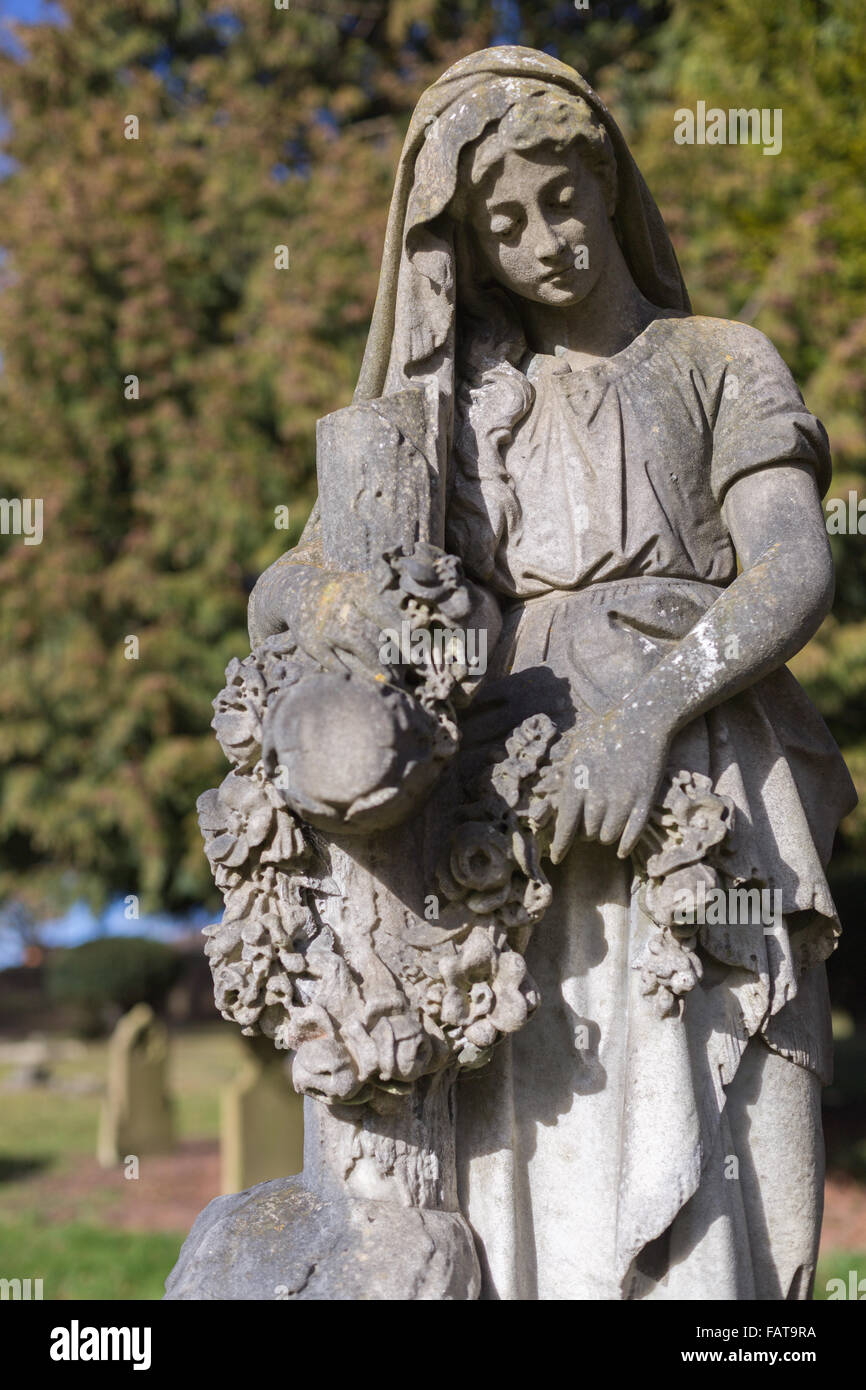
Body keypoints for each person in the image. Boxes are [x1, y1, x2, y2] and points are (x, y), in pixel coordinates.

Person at [248, 47, 856, 1300]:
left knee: (720, 1131)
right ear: (469, 251)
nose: (545, 241)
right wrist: (342, 610)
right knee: (537, 1142)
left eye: (560, 197)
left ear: (605, 178)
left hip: (702, 770)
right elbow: (296, 583)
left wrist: (645, 715)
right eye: (504, 225)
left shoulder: (717, 358)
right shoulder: (457, 416)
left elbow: (793, 569)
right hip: (510, 815)